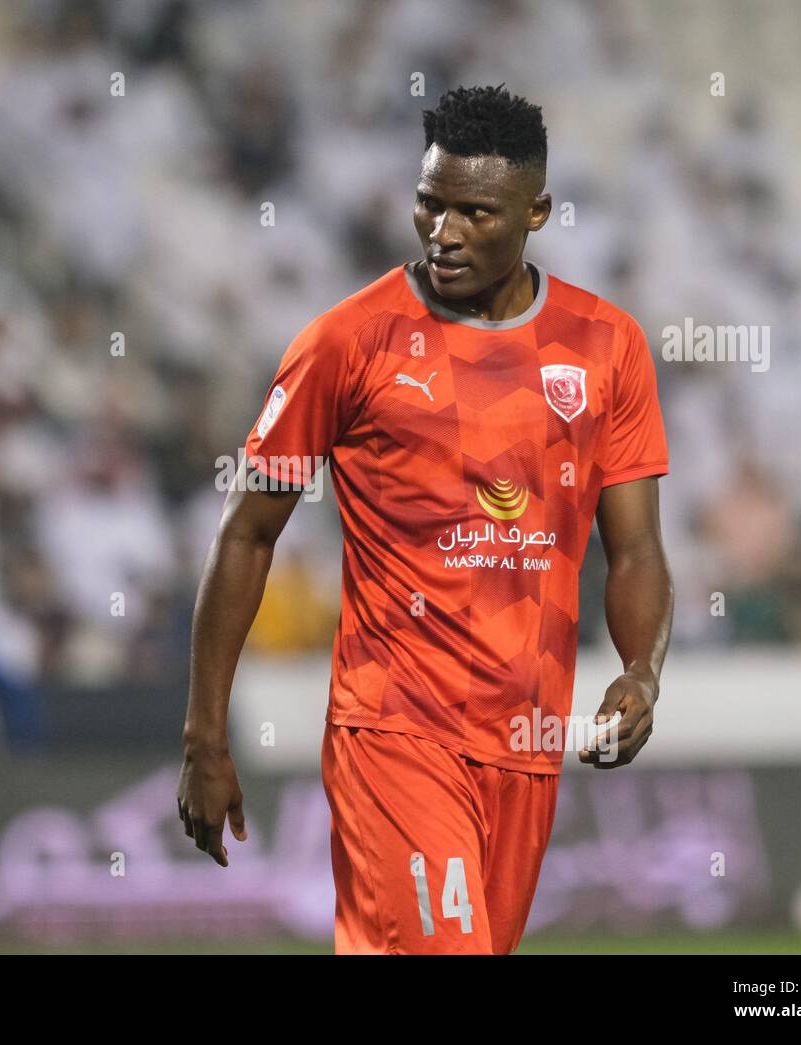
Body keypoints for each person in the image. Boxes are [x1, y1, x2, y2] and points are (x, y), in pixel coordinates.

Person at [177, 85, 673, 954]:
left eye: (475, 212)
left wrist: (642, 670)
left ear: (538, 213)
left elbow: (634, 549)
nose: (443, 231)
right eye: (429, 203)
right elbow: (247, 533)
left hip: (526, 742)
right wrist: (204, 736)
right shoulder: (347, 342)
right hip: (395, 726)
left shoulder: (606, 345)